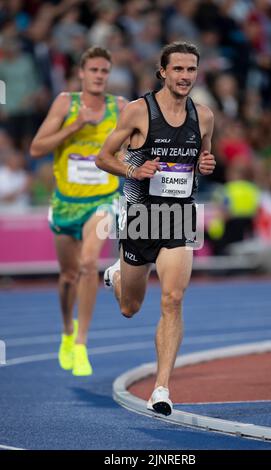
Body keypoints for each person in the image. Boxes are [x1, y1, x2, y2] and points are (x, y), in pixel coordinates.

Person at [96, 42, 216, 415]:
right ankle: (116, 276)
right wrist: (133, 170)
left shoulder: (205, 115)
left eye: (191, 70)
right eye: (177, 69)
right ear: (163, 72)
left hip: (179, 217)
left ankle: (161, 388)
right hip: (139, 218)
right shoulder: (138, 111)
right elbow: (103, 157)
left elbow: (204, 156)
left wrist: (207, 164)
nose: (185, 76)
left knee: (173, 299)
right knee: (130, 307)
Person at [30, 46, 127, 376]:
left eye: (105, 71)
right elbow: (36, 148)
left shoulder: (120, 107)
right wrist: (75, 126)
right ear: (81, 74)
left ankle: (83, 343)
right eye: (94, 70)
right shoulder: (65, 103)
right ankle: (67, 332)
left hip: (103, 201)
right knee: (68, 276)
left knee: (89, 263)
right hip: (65, 204)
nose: (100, 76)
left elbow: (136, 148)